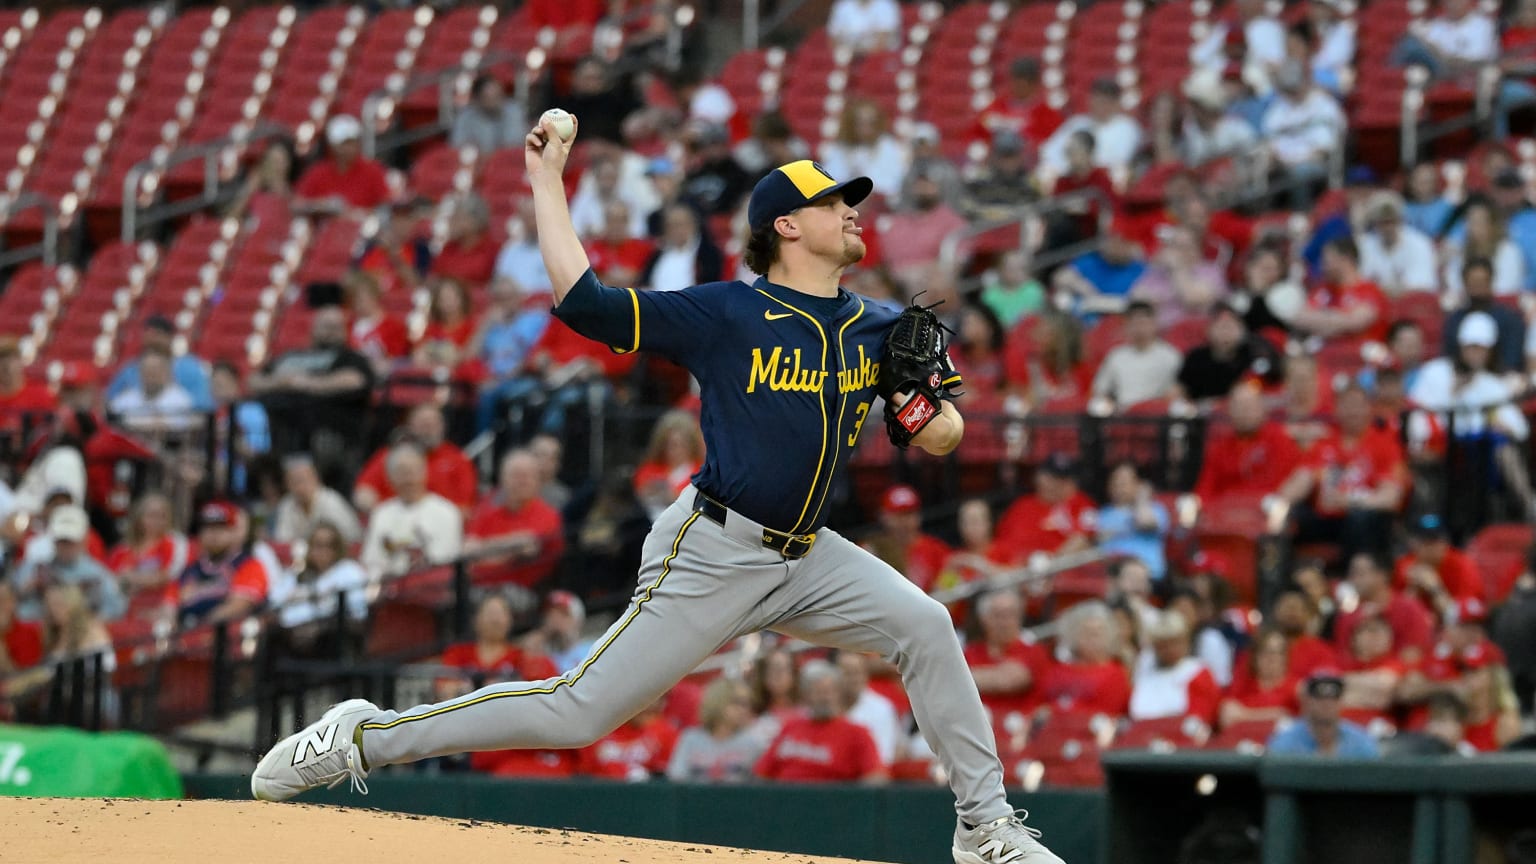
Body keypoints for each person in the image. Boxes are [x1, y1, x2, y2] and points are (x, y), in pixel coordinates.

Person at [251, 120, 1065, 864]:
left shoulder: (878, 324)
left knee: (926, 624)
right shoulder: (727, 311)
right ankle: (363, 737)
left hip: (809, 555)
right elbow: (585, 306)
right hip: (714, 548)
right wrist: (547, 183)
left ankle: (983, 826)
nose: (852, 212)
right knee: (578, 712)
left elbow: (946, 435)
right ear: (785, 225)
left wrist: (921, 407)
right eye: (831, 202)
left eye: (851, 201)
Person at [1279, 383, 1407, 563]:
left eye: (1357, 405)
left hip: (1363, 518)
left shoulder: (1384, 445)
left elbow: (1390, 496)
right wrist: (1279, 502)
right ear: (1336, 410)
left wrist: (1351, 501)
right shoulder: (1325, 442)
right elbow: (1303, 477)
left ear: (1368, 409)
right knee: (1290, 518)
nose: (1352, 411)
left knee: (1359, 520)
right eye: (1346, 406)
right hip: (1326, 517)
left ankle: (1353, 579)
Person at [247, 306, 374, 457]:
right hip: (273, 425)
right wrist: (283, 383)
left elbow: (356, 380)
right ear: (314, 328)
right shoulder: (290, 356)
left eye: (338, 327)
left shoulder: (351, 357)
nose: (332, 331)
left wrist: (306, 383)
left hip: (326, 433)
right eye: (327, 326)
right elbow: (254, 381)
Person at [753, 660, 886, 784]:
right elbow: (762, 773)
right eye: (818, 692)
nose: (825, 697)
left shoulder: (858, 734)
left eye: (830, 691)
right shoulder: (790, 727)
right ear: (806, 695)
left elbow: (876, 778)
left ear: (839, 694)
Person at [359, 443, 464, 579]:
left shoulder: (447, 512)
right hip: (388, 591)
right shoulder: (381, 514)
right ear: (390, 478)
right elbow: (371, 562)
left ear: (425, 472)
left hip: (431, 591)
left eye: (413, 471)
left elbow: (443, 563)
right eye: (402, 472)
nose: (409, 479)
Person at [464, 450, 565, 589]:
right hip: (478, 585)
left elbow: (527, 546)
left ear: (538, 481)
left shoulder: (548, 515)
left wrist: (483, 548)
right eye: (516, 475)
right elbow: (468, 552)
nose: (522, 481)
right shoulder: (487, 510)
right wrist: (509, 546)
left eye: (527, 475)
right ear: (503, 479)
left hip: (522, 590)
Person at [352, 404, 477, 514]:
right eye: (423, 424)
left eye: (433, 424)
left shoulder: (457, 459)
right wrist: (382, 513)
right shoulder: (391, 455)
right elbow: (363, 491)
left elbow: (465, 508)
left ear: (443, 426)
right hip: (393, 521)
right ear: (410, 426)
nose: (429, 429)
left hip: (438, 524)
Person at [268, 522, 371, 656]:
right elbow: (274, 601)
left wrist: (318, 626)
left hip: (329, 636)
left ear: (338, 548)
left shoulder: (348, 570)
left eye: (329, 546)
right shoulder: (298, 575)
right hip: (289, 634)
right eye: (317, 545)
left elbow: (358, 614)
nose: (323, 551)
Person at [11, 505, 125, 622]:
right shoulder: (32, 569)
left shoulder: (99, 576)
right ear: (54, 540)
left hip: (80, 634)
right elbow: (11, 602)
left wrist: (89, 621)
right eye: (62, 540)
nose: (65, 546)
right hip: (36, 632)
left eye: (71, 541)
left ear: (83, 540)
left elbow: (116, 609)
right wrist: (23, 591)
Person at [1194, 382, 1302, 506]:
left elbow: (1290, 482)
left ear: (1262, 409)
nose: (1244, 413)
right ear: (1229, 411)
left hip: (1263, 512)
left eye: (1249, 407)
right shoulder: (1219, 448)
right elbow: (1204, 491)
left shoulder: (1279, 439)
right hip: (1225, 514)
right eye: (1239, 407)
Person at [436, 595, 558, 703]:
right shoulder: (457, 652)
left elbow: (545, 690)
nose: (495, 620)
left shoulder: (522, 655)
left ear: (510, 621)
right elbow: (443, 688)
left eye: (500, 614)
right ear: (476, 620)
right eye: (490, 613)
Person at [167, 501, 268, 630]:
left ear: (233, 532)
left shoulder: (249, 565)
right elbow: (169, 608)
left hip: (225, 639)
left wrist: (198, 628)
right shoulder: (188, 570)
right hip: (186, 639)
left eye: (221, 528)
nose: (213, 534)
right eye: (208, 528)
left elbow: (238, 606)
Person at [1260, 61, 1346, 209]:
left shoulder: (1324, 105)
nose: (1292, 92)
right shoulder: (1278, 109)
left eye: (1294, 87)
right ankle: (1263, 215)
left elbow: (1323, 150)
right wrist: (1276, 159)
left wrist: (1294, 162)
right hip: (1282, 163)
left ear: (1306, 82)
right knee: (1257, 170)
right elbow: (1270, 142)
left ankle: (1302, 213)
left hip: (1314, 163)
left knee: (1300, 173)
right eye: (1288, 88)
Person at [963, 589, 1050, 723]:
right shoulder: (971, 651)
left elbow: (1006, 681)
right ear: (984, 619)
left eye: (1011, 615)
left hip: (1015, 727)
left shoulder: (1033, 650)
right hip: (974, 724)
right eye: (998, 615)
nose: (1005, 622)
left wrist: (963, 676)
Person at [1332, 552, 1436, 663]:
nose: (1354, 580)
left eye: (1360, 573)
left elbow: (1414, 656)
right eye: (1352, 574)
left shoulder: (1410, 609)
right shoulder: (1347, 617)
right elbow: (1342, 659)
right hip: (1358, 677)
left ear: (1382, 575)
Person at [994, 453, 1098, 561]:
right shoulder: (1021, 505)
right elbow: (1000, 539)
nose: (1054, 484)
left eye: (1061, 480)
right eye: (1050, 477)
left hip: (1051, 570)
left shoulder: (1082, 504)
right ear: (1038, 477)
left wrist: (1051, 563)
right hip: (1007, 568)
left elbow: (1083, 539)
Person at [1037, 601, 1132, 718]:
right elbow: (1036, 705)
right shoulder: (1054, 670)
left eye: (1098, 633)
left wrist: (1057, 711)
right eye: (1086, 632)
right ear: (1073, 634)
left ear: (1109, 635)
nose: (1092, 640)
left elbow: (1106, 714)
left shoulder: (1116, 674)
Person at [1174, 305, 1283, 404]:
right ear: (1208, 330)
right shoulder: (1196, 358)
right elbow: (1181, 389)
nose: (1226, 333)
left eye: (1230, 327)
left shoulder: (1254, 355)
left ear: (1242, 330)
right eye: (1221, 327)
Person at [1291, 236, 1389, 346]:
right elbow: (1298, 318)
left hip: (1359, 355)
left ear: (1346, 260)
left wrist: (1320, 322)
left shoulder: (1369, 290)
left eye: (1327, 261)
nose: (1323, 267)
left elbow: (1357, 323)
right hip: (1324, 354)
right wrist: (1338, 320)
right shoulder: (1322, 290)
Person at [1038, 79, 1144, 180]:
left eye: (1105, 101)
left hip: (1104, 178)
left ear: (1116, 103)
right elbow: (1049, 152)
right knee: (1045, 172)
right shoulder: (1077, 122)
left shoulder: (1127, 127)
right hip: (1069, 176)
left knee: (1119, 173)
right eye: (1096, 99)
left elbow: (1120, 159)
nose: (1099, 105)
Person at [1128, 611, 1220, 726]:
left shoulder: (1197, 671)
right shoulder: (1145, 674)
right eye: (1163, 644)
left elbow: (1200, 718)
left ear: (1185, 642)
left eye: (1174, 643)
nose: (1169, 649)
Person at [104, 315, 213, 412]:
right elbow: (110, 402)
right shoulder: (130, 369)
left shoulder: (189, 368)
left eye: (157, 335)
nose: (152, 340)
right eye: (148, 336)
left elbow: (202, 407)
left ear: (169, 338)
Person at [666, 678, 765, 783]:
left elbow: (761, 783)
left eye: (747, 704)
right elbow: (676, 778)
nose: (744, 709)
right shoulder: (691, 738)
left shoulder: (753, 743)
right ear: (717, 701)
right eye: (737, 703)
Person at [1129, 225, 1228, 330]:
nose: (1178, 252)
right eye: (1174, 246)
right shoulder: (1158, 271)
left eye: (1184, 247)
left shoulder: (1211, 272)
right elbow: (1136, 298)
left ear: (1197, 249)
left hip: (1194, 333)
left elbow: (1192, 298)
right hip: (1157, 333)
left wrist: (1177, 269)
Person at [1266, 669, 1381, 757]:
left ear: (1341, 701)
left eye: (1333, 697)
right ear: (1306, 701)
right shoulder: (1285, 744)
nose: (1327, 703)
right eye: (1319, 697)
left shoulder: (1360, 742)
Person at [1091, 300, 1183, 409]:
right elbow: (1101, 390)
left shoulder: (1171, 356)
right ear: (1125, 326)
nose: (1139, 329)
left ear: (1154, 324)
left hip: (1157, 416)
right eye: (1133, 324)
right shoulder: (1116, 356)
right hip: (1122, 415)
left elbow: (1176, 392)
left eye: (1143, 323)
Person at [862, 485, 951, 593]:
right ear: (884, 516)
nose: (903, 521)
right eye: (897, 515)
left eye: (908, 514)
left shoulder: (936, 549)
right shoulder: (872, 549)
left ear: (918, 516)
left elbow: (949, 590)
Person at [293, 115, 392, 213]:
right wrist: (320, 205)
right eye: (344, 143)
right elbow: (297, 204)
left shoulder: (373, 170)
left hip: (360, 226)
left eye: (353, 142)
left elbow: (387, 206)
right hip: (325, 227)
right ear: (332, 145)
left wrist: (354, 213)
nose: (349, 148)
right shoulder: (318, 171)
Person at [818, 100, 909, 200]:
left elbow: (893, 183)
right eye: (860, 123)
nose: (865, 128)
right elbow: (831, 179)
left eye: (870, 123)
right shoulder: (839, 147)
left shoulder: (888, 146)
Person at [1095, 462, 1172, 580]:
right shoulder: (1103, 514)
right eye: (1115, 483)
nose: (1120, 488)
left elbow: (1145, 522)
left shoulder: (1155, 509)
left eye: (1124, 483)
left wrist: (1142, 497)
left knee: (1131, 573)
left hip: (1147, 575)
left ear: (1138, 484)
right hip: (1111, 575)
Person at [107, 493, 191, 599]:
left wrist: (130, 576)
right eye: (151, 515)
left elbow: (167, 576)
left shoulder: (175, 542)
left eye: (162, 516)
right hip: (127, 602)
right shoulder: (123, 549)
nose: (157, 521)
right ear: (139, 518)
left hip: (163, 600)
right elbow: (111, 579)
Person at [972, 58, 1065, 150]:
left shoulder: (1047, 114)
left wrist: (1018, 129)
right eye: (1015, 80)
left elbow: (1053, 143)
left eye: (1024, 82)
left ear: (1034, 84)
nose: (1017, 87)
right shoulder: (997, 106)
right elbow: (976, 131)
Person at [1356, 192, 1439, 295]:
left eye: (1392, 221)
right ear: (1374, 223)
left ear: (1401, 220)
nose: (1388, 228)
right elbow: (1357, 284)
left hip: (1409, 304)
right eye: (1383, 222)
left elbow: (1424, 286)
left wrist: (1383, 289)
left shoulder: (1420, 243)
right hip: (1376, 305)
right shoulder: (1364, 245)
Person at [1390, 0, 1498, 79]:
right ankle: (1390, 79)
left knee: (1412, 45)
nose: (1452, 3)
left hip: (1465, 73)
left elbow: (1479, 60)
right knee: (1410, 42)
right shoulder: (1436, 25)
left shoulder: (1483, 25)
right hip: (1435, 72)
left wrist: (1440, 55)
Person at [1442, 201, 1528, 299]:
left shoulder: (1509, 251)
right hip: (1467, 304)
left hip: (1498, 306)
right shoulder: (1460, 251)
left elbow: (1506, 288)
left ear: (1492, 225)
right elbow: (1454, 285)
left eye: (1478, 222)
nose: (1472, 228)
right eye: (1469, 222)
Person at [271, 455, 362, 546]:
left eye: (303, 480)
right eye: (294, 481)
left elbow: (346, 540)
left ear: (316, 479)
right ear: (287, 484)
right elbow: (282, 541)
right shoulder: (286, 505)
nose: (300, 486)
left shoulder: (331, 502)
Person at [1222, 627, 1300, 727]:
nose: (1271, 658)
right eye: (1265, 652)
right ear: (1254, 657)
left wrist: (1243, 715)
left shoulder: (1296, 688)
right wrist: (1274, 715)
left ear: (1286, 657)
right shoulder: (1242, 683)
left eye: (1277, 653)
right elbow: (1226, 717)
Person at [108, 345, 198, 431]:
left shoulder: (181, 400)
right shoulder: (125, 400)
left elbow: (176, 429)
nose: (151, 376)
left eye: (155, 371)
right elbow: (114, 424)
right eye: (147, 371)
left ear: (167, 373)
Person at [836, 650, 903, 766]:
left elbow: (884, 758)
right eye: (847, 673)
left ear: (866, 675)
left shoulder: (882, 709)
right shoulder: (827, 703)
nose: (853, 679)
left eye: (857, 673)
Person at [638, 203, 724, 292]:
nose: (676, 230)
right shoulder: (657, 254)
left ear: (693, 224)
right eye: (670, 225)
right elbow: (645, 282)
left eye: (680, 224)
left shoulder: (708, 254)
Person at [430, 194, 499, 290]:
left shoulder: (493, 251)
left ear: (474, 222)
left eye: (457, 218)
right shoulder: (448, 248)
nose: (451, 222)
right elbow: (435, 279)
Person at [226, 138, 296, 225]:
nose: (276, 166)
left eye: (280, 161)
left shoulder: (289, 188)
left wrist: (280, 187)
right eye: (272, 161)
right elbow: (236, 210)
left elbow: (293, 208)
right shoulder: (256, 181)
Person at [450, 75, 526, 153]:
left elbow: (514, 144)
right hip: (479, 163)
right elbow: (458, 147)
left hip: (506, 161)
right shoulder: (464, 117)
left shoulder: (513, 110)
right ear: (477, 100)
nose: (497, 102)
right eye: (490, 97)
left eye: (498, 96)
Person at [827, 0, 901, 55]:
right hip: (848, 58)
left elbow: (883, 42)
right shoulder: (842, 6)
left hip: (880, 59)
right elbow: (833, 39)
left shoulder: (886, 5)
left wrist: (857, 52)